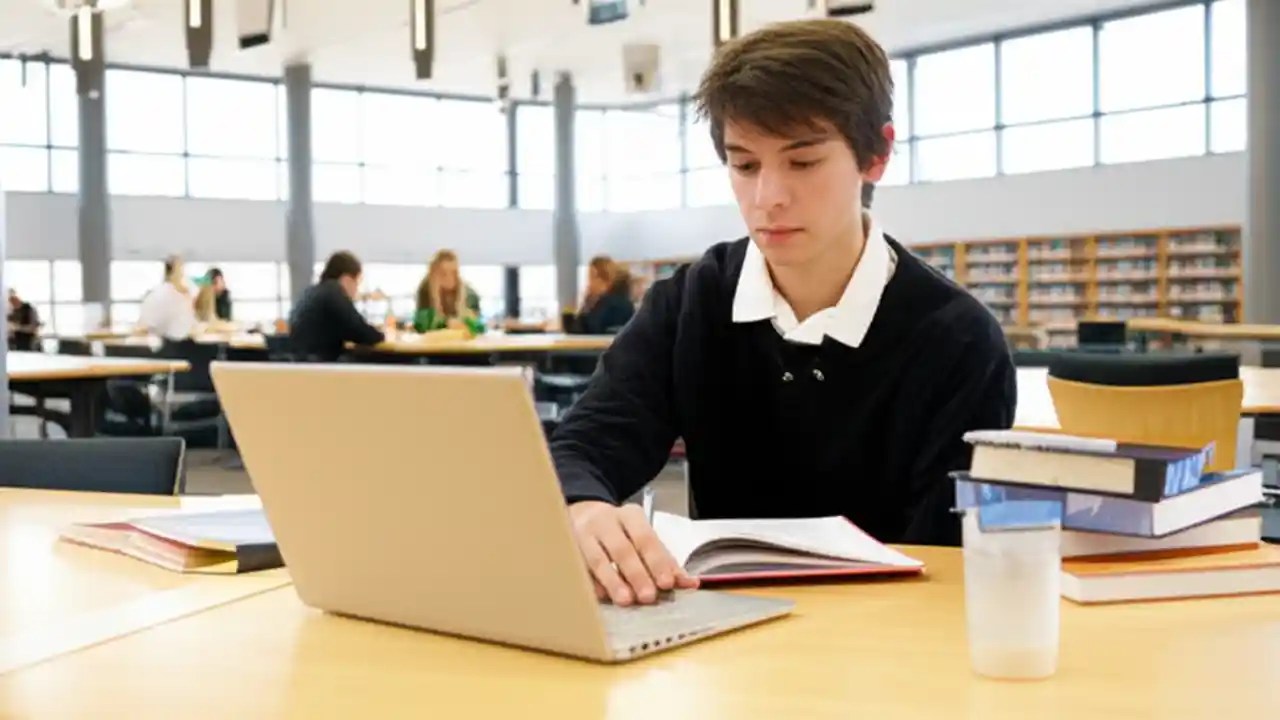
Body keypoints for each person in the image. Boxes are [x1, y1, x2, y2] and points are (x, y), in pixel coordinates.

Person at [549, 19, 1016, 607]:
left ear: (877, 155)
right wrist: (583, 509)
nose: (768, 196)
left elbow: (949, 556)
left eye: (802, 163)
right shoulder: (689, 304)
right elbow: (588, 443)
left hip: (888, 660)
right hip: (722, 647)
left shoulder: (960, 341)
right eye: (745, 166)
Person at [288, 251, 387, 362]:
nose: (356, 289)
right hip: (323, 368)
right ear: (347, 279)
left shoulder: (311, 292)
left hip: (302, 365)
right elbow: (363, 333)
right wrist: (382, 335)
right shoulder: (334, 294)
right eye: (357, 282)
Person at [413, 250, 485, 335]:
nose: (449, 278)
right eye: (443, 274)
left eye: (454, 273)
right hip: (434, 344)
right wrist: (446, 323)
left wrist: (468, 324)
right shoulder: (425, 290)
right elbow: (421, 325)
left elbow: (480, 326)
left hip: (463, 343)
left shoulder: (470, 294)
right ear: (433, 275)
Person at [567, 256, 635, 335]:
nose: (589, 284)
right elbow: (576, 332)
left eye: (592, 277)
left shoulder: (616, 304)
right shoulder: (598, 303)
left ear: (607, 280)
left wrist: (587, 306)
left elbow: (594, 331)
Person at [138, 255, 196, 341]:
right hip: (171, 341)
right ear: (174, 271)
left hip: (173, 339)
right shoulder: (165, 294)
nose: (183, 274)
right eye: (181, 269)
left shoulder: (180, 293)